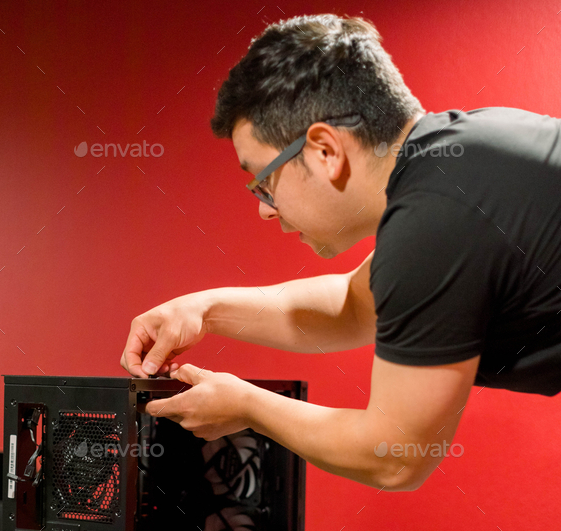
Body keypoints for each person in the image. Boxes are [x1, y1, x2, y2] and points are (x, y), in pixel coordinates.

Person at [121, 14, 561, 491]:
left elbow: (395, 457)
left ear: (325, 151)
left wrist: (247, 406)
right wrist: (205, 310)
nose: (265, 210)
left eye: (264, 182)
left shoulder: (436, 219)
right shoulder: (464, 155)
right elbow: (354, 305)